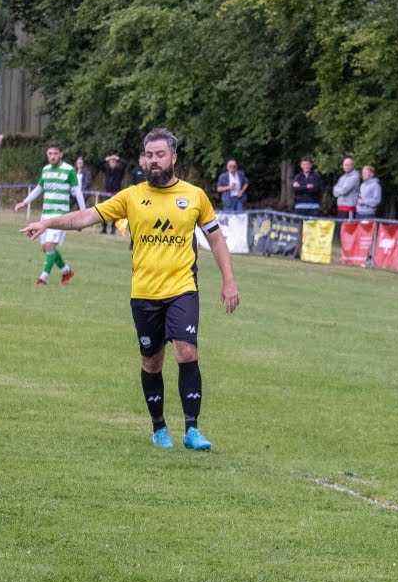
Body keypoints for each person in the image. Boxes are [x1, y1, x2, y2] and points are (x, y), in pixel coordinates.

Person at [20, 128, 240, 450]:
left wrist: (229, 280)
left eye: (160, 154)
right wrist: (47, 222)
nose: (154, 160)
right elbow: (85, 217)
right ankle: (159, 427)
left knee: (187, 350)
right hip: (144, 293)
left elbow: (216, 239)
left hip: (182, 288)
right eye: (149, 155)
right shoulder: (131, 196)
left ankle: (192, 429)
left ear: (173, 157)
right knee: (152, 361)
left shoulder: (195, 196)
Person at [14, 143, 86, 285]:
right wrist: (25, 202)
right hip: (45, 215)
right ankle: (66, 271)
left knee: (49, 246)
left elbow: (78, 192)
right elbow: (39, 188)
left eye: (55, 153)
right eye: (50, 153)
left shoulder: (69, 170)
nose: (52, 156)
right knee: (45, 248)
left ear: (61, 154)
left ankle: (42, 279)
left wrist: (83, 213)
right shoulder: (46, 170)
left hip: (60, 216)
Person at [100, 155, 126, 233]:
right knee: (104, 211)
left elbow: (125, 163)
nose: (113, 163)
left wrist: (117, 158)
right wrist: (107, 158)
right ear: (109, 163)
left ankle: (113, 229)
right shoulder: (107, 170)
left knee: (115, 212)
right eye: (111, 161)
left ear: (116, 163)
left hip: (116, 194)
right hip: (107, 194)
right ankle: (104, 228)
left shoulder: (119, 171)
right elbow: (99, 164)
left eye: (114, 161)